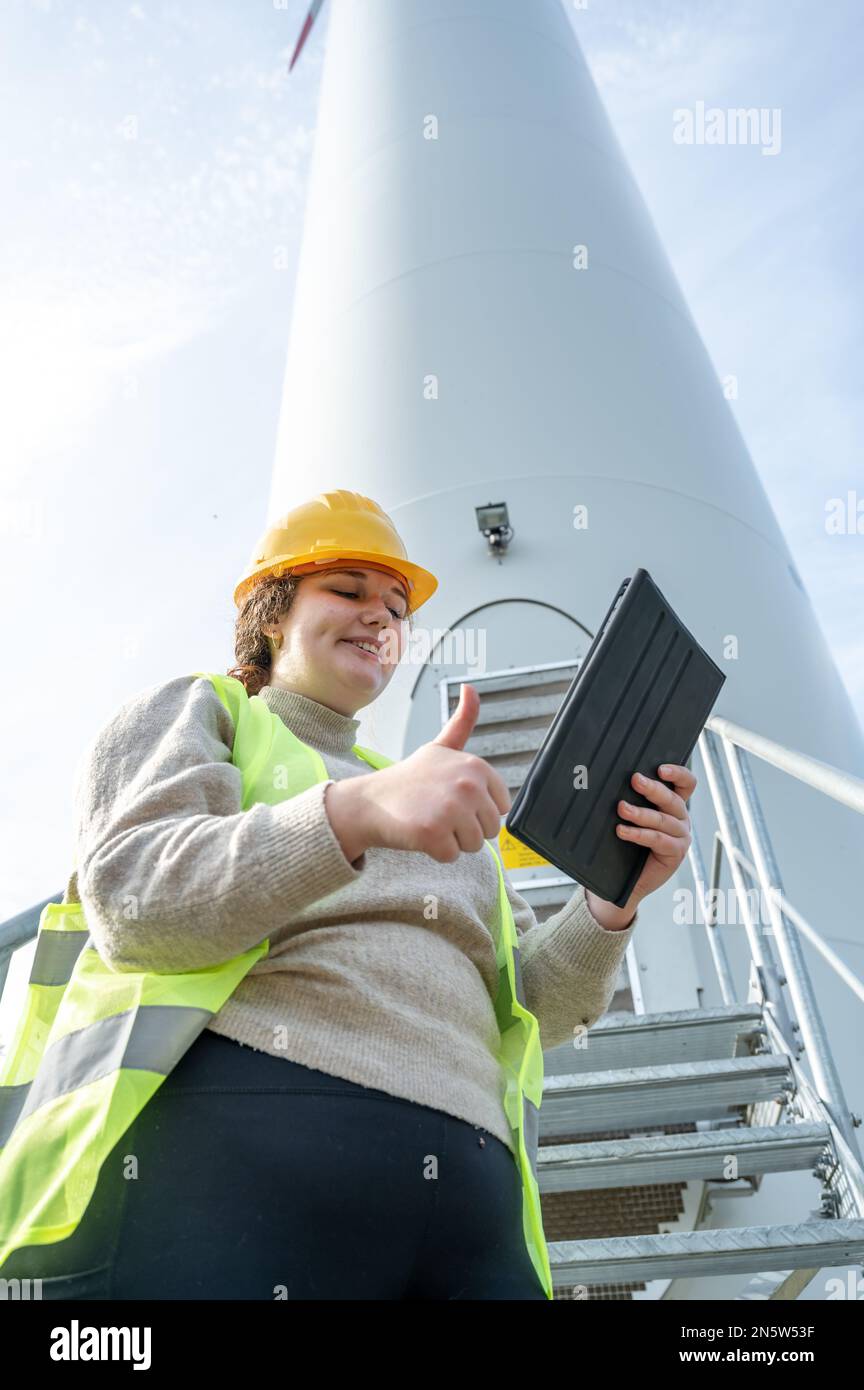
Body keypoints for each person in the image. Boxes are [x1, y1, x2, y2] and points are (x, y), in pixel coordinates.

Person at [2, 491, 695, 1300]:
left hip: (475, 1192)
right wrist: (354, 814)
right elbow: (135, 901)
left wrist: (612, 903)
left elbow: (536, 1003)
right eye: (349, 590)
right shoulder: (204, 712)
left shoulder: (424, 799)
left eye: (397, 607)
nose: (380, 618)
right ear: (271, 614)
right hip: (240, 1154)